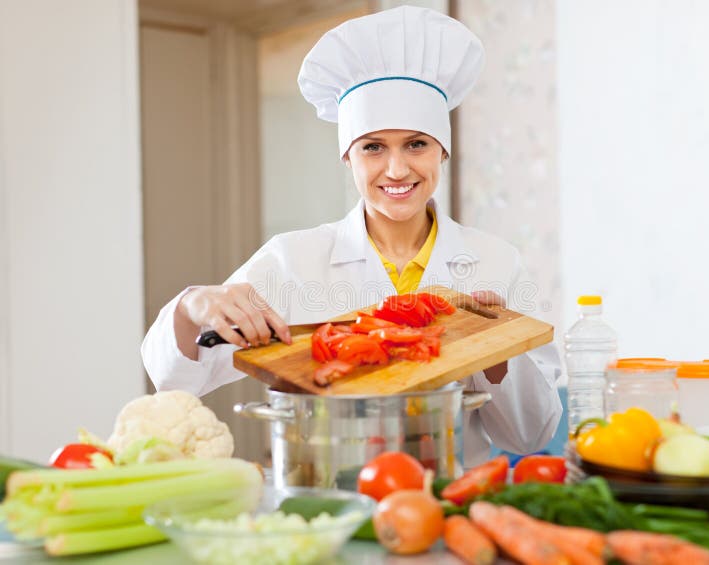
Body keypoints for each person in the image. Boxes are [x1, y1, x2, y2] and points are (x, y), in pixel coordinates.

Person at [142, 5, 562, 467]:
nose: (397, 169)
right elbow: (174, 381)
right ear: (348, 157)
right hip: (325, 495)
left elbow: (531, 435)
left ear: (442, 149)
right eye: (374, 147)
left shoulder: (496, 262)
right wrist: (189, 308)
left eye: (416, 144)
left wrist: (493, 350)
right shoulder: (292, 261)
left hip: (448, 498)